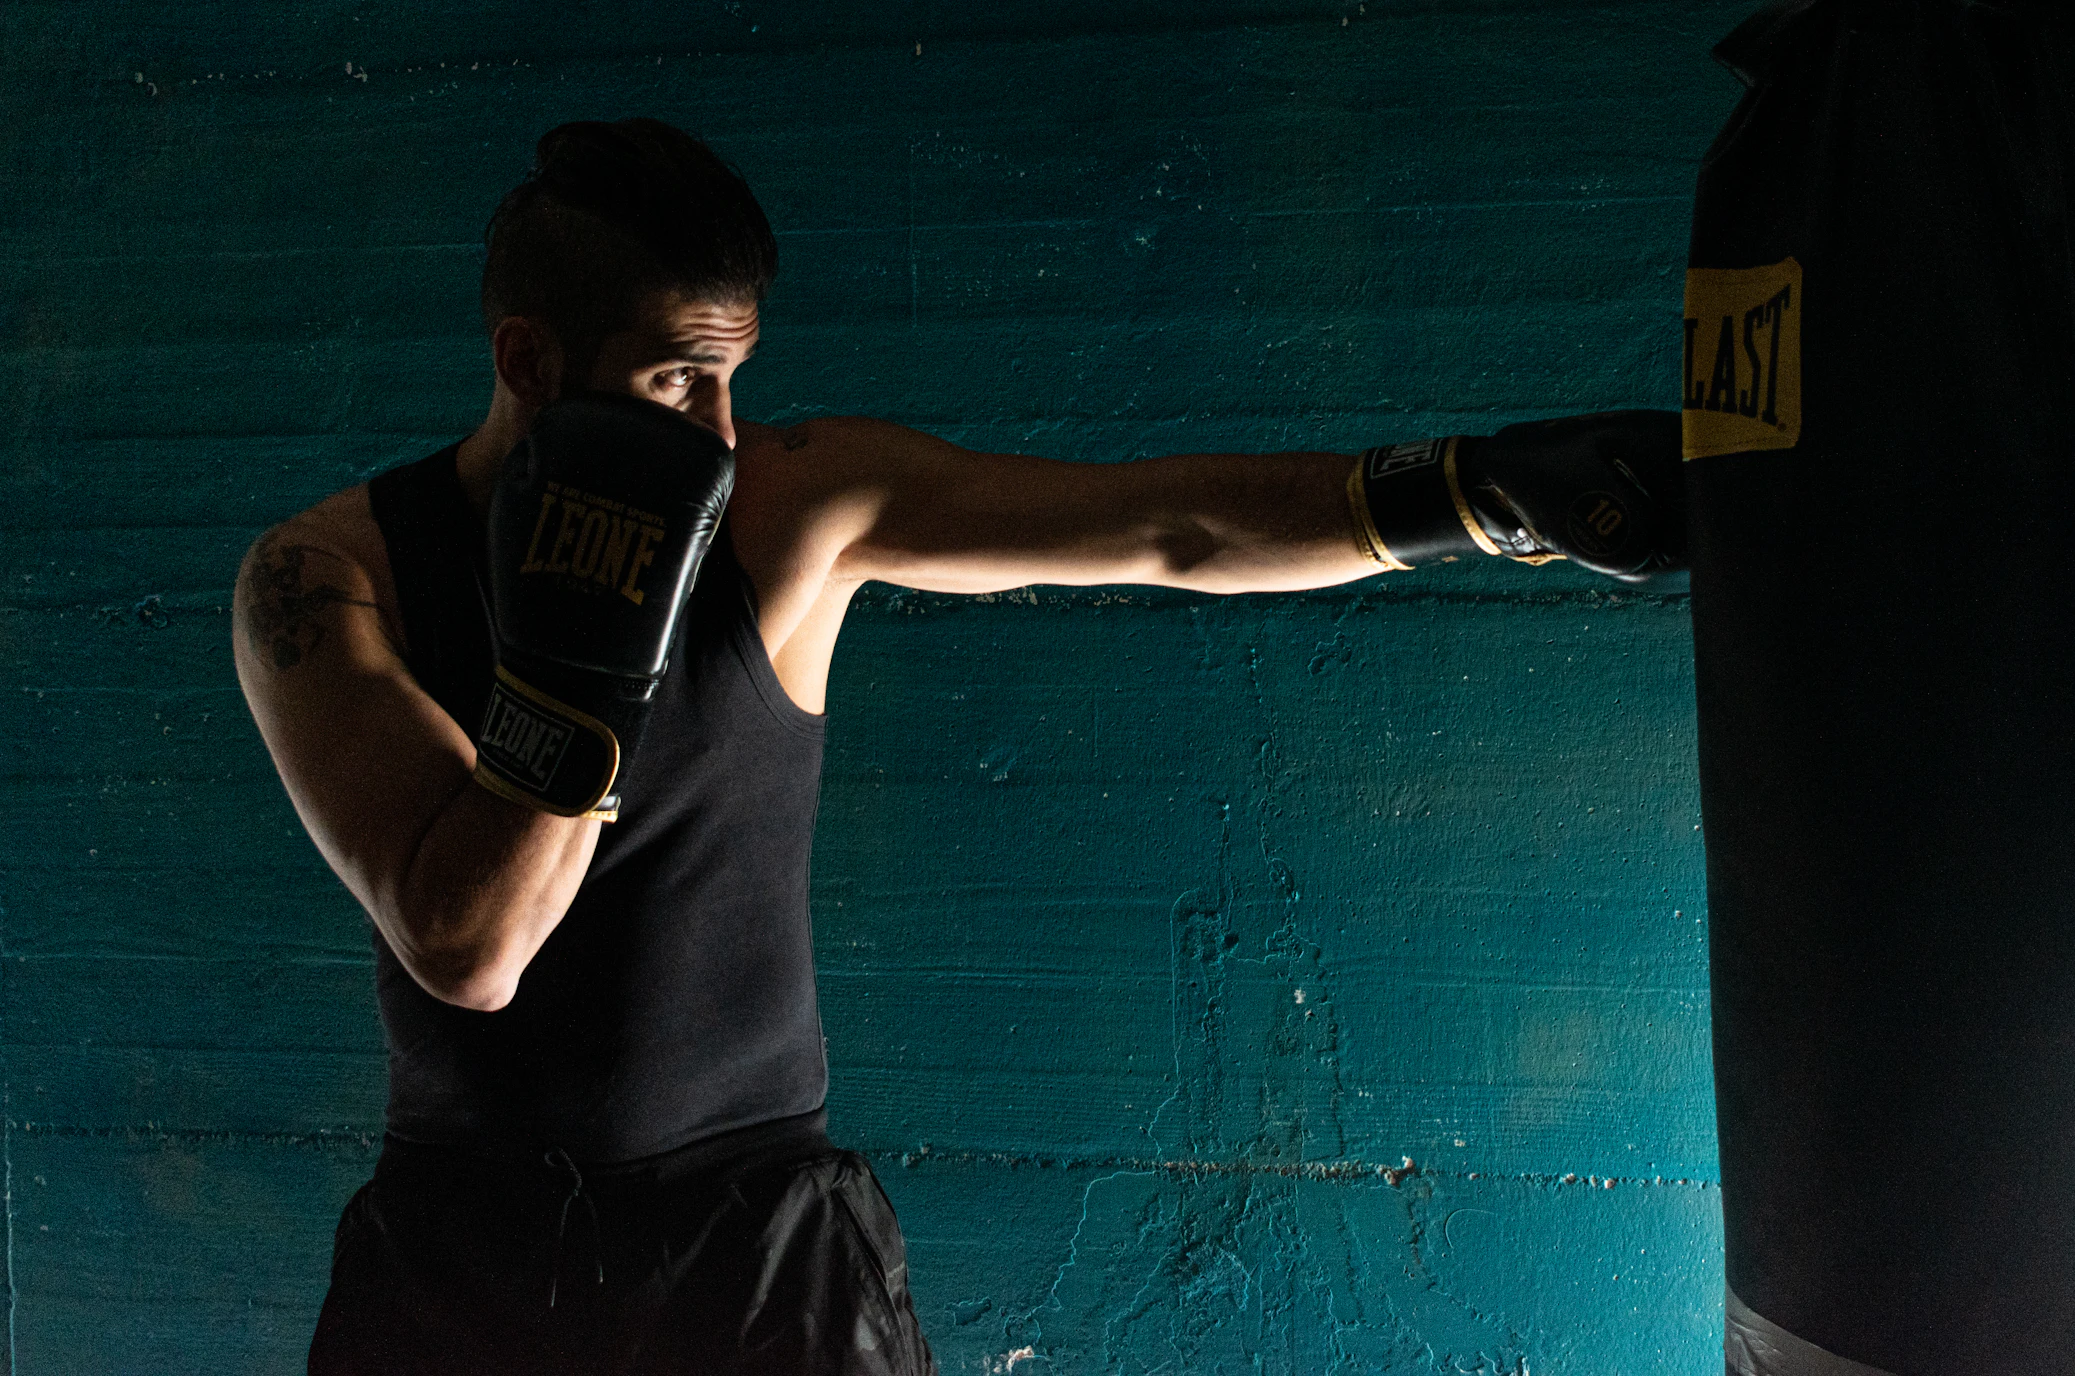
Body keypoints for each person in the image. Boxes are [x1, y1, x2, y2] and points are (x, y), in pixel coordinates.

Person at [231, 117, 1682, 1376]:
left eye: (737, 379)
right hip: (465, 1261)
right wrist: (580, 655)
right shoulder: (329, 579)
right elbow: (471, 948)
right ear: (525, 360)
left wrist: (1477, 494)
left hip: (756, 1246)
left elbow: (1166, 529)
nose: (723, 431)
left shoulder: (789, 512)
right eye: (679, 381)